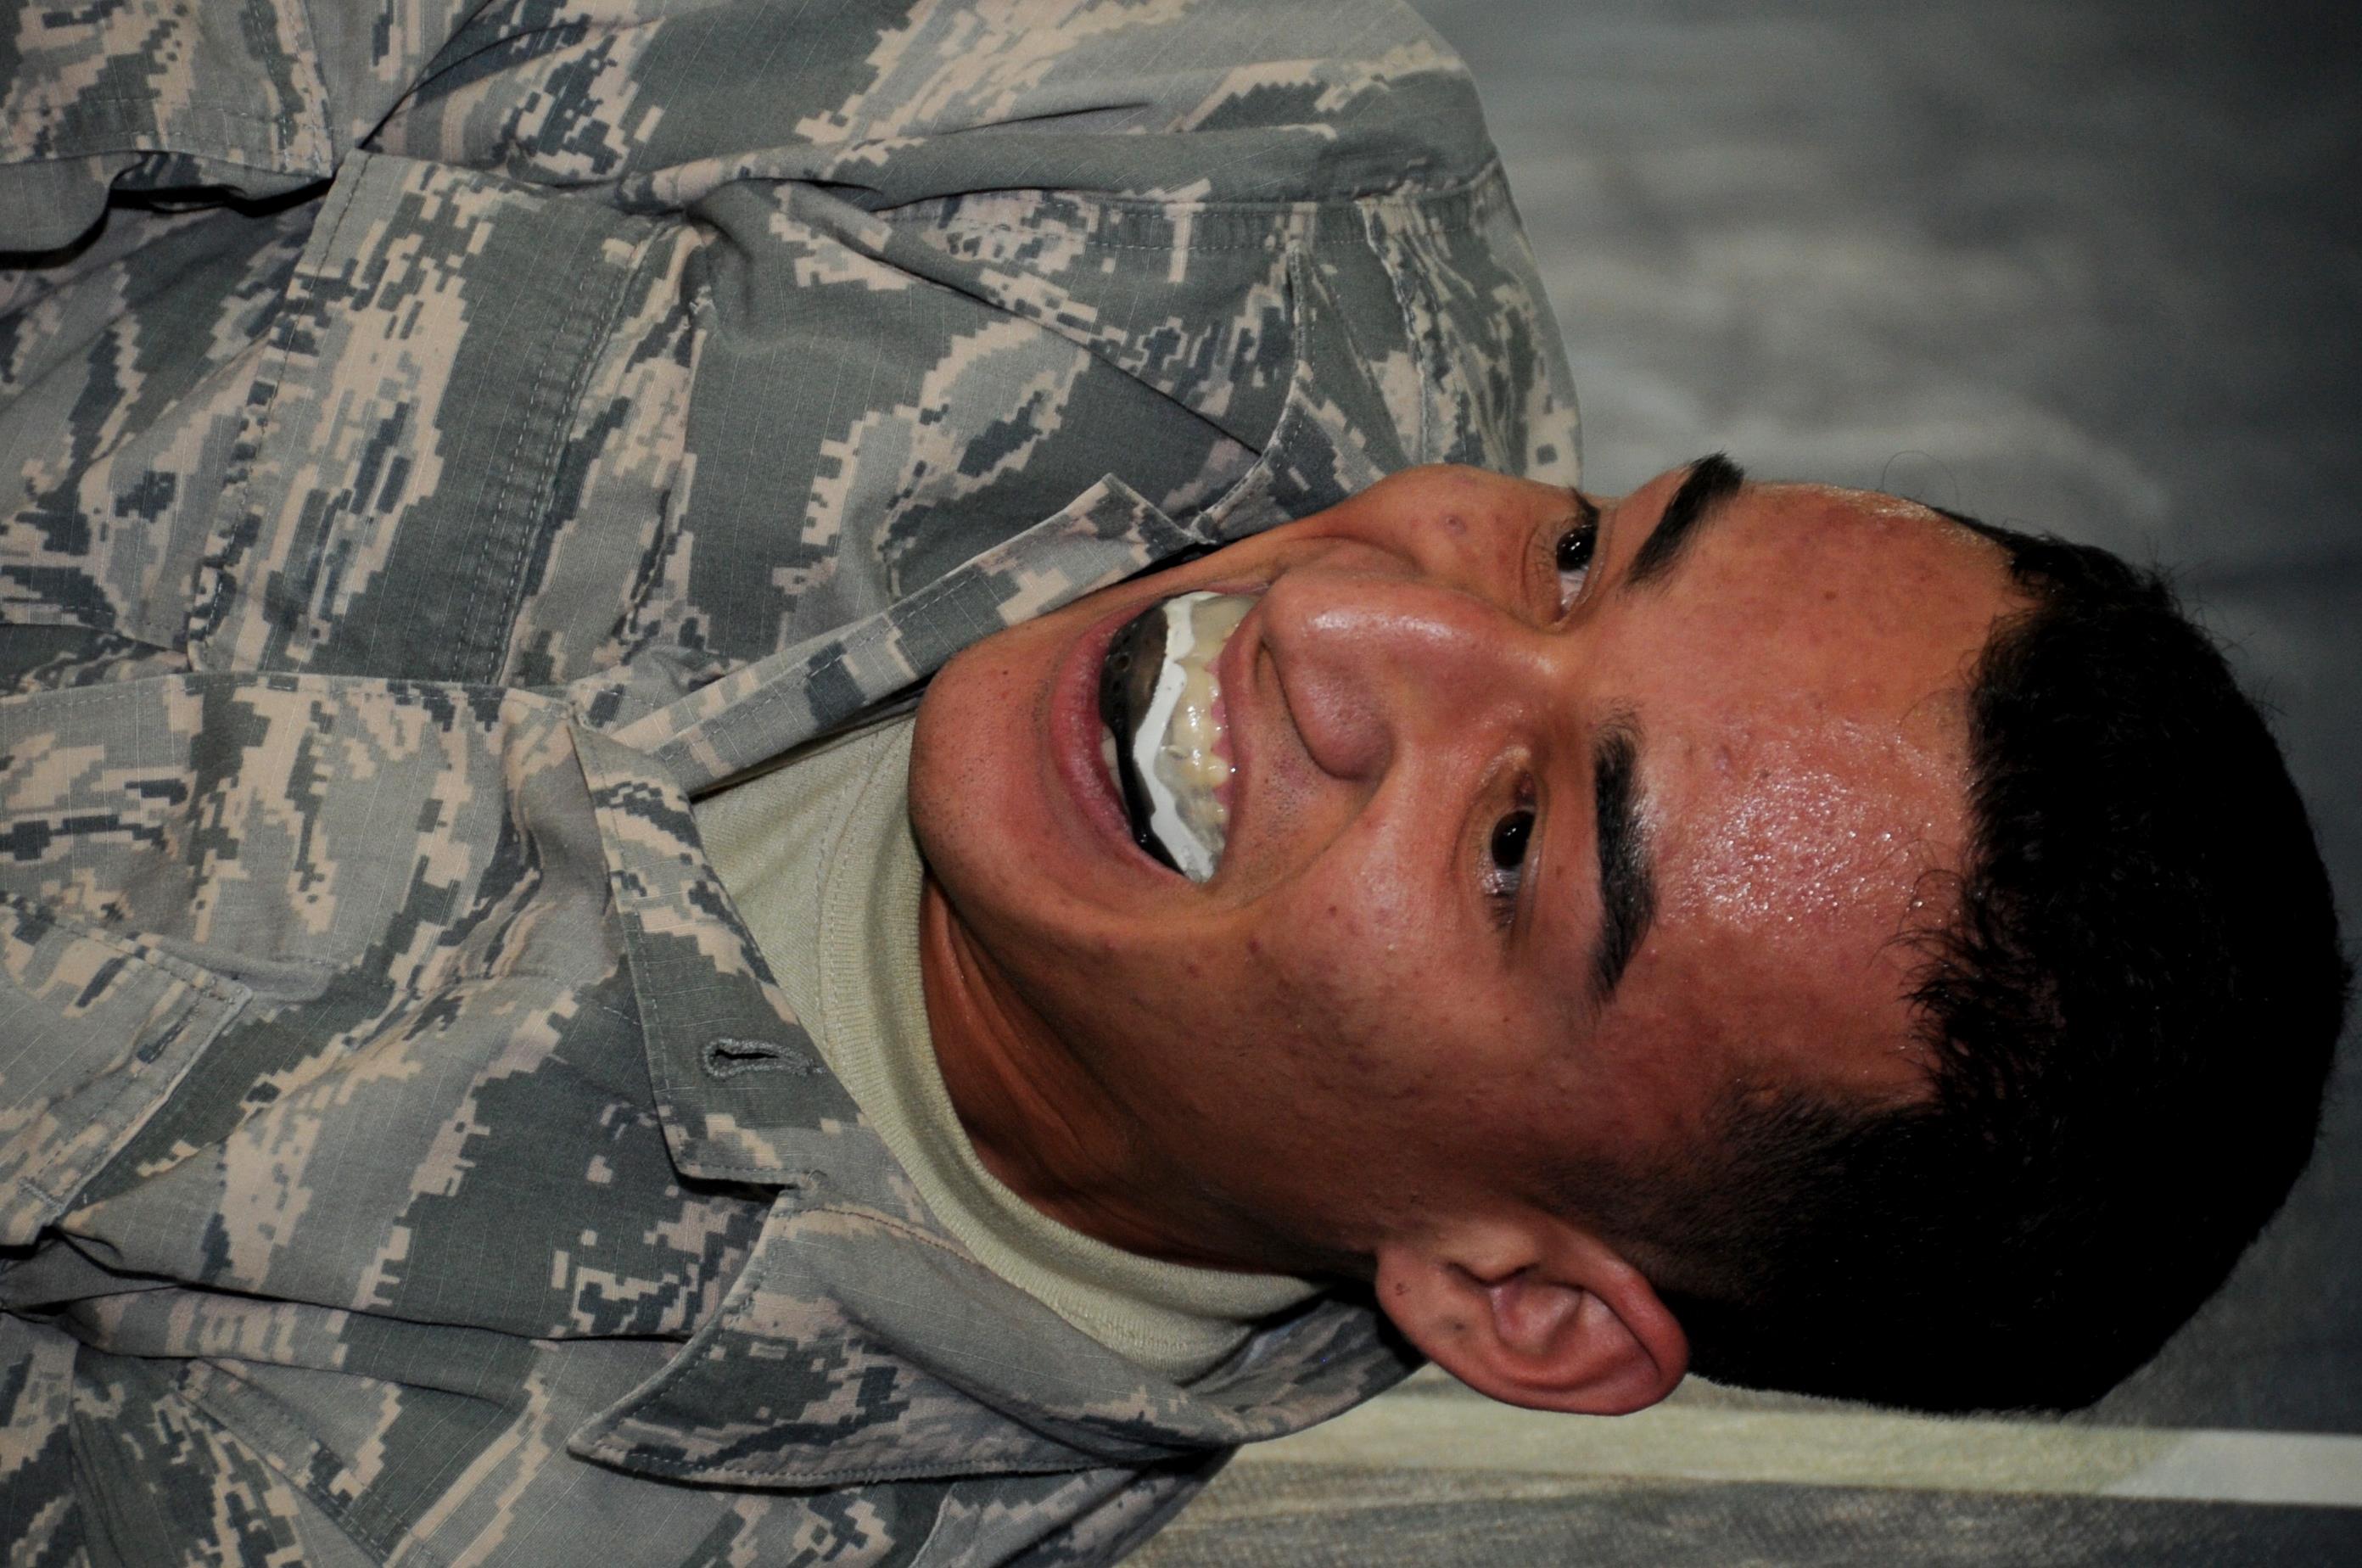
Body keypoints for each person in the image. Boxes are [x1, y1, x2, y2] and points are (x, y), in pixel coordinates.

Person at [0, 3, 2342, 1566]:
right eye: (1573, 548)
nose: (1342, 620)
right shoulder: (1226, 150)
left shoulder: (603, 1507)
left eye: (1521, 840)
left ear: (1521, 1307)